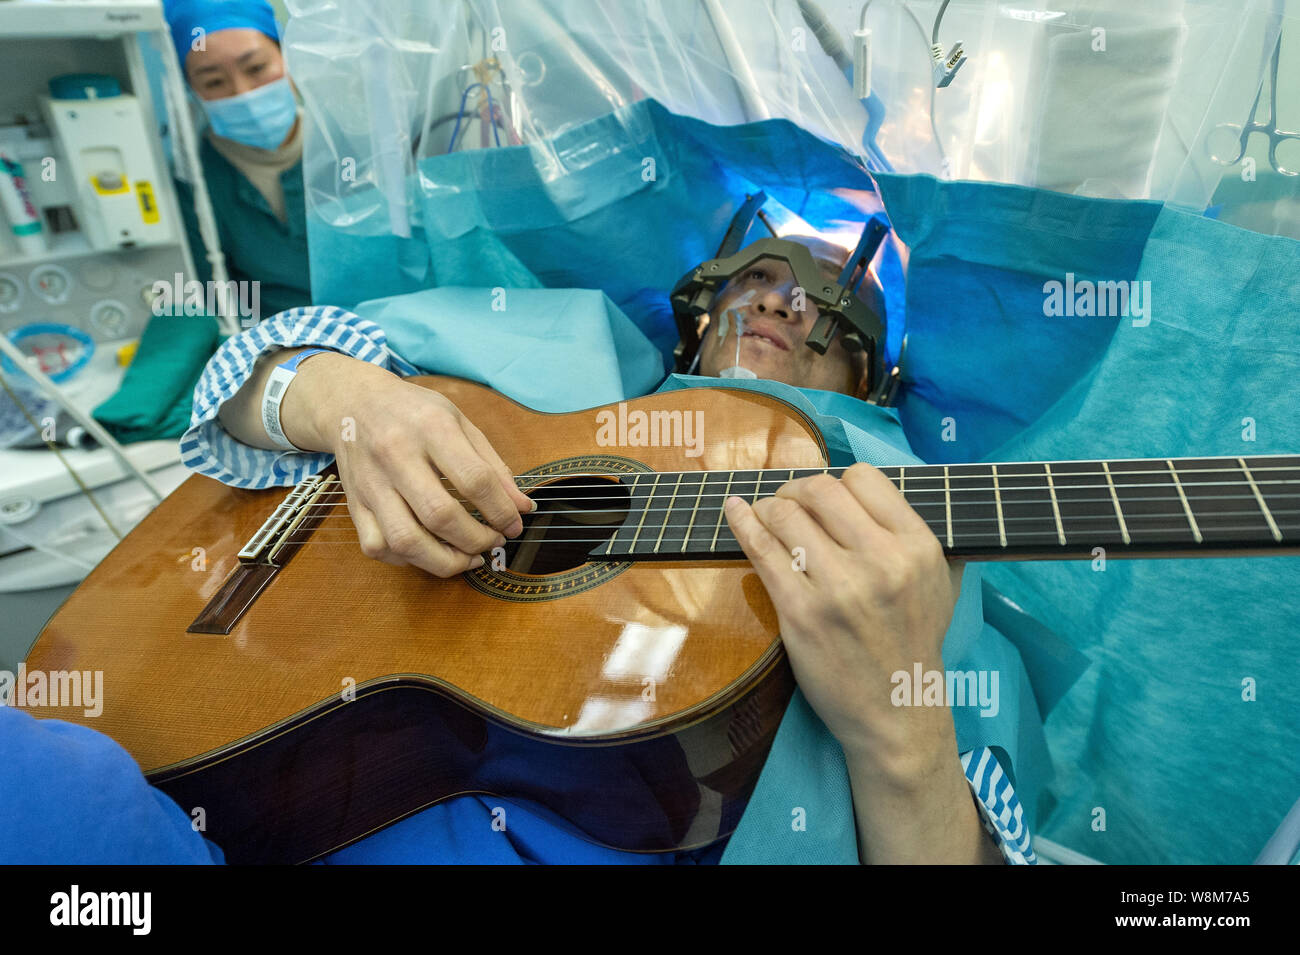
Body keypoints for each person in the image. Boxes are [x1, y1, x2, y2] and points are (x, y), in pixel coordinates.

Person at [2, 235, 1035, 865]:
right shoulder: (559, 361)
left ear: (872, 381)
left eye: (825, 308)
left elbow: (990, 840)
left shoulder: (917, 534)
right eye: (757, 280)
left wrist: (903, 743)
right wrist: (346, 398)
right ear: (691, 320)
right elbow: (244, 373)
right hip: (188, 748)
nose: (780, 299)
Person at [164, 0, 311, 318]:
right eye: (214, 82)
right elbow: (216, 309)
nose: (243, 93)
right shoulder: (195, 185)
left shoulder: (345, 150)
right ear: (191, 91)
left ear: (288, 57)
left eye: (256, 68)